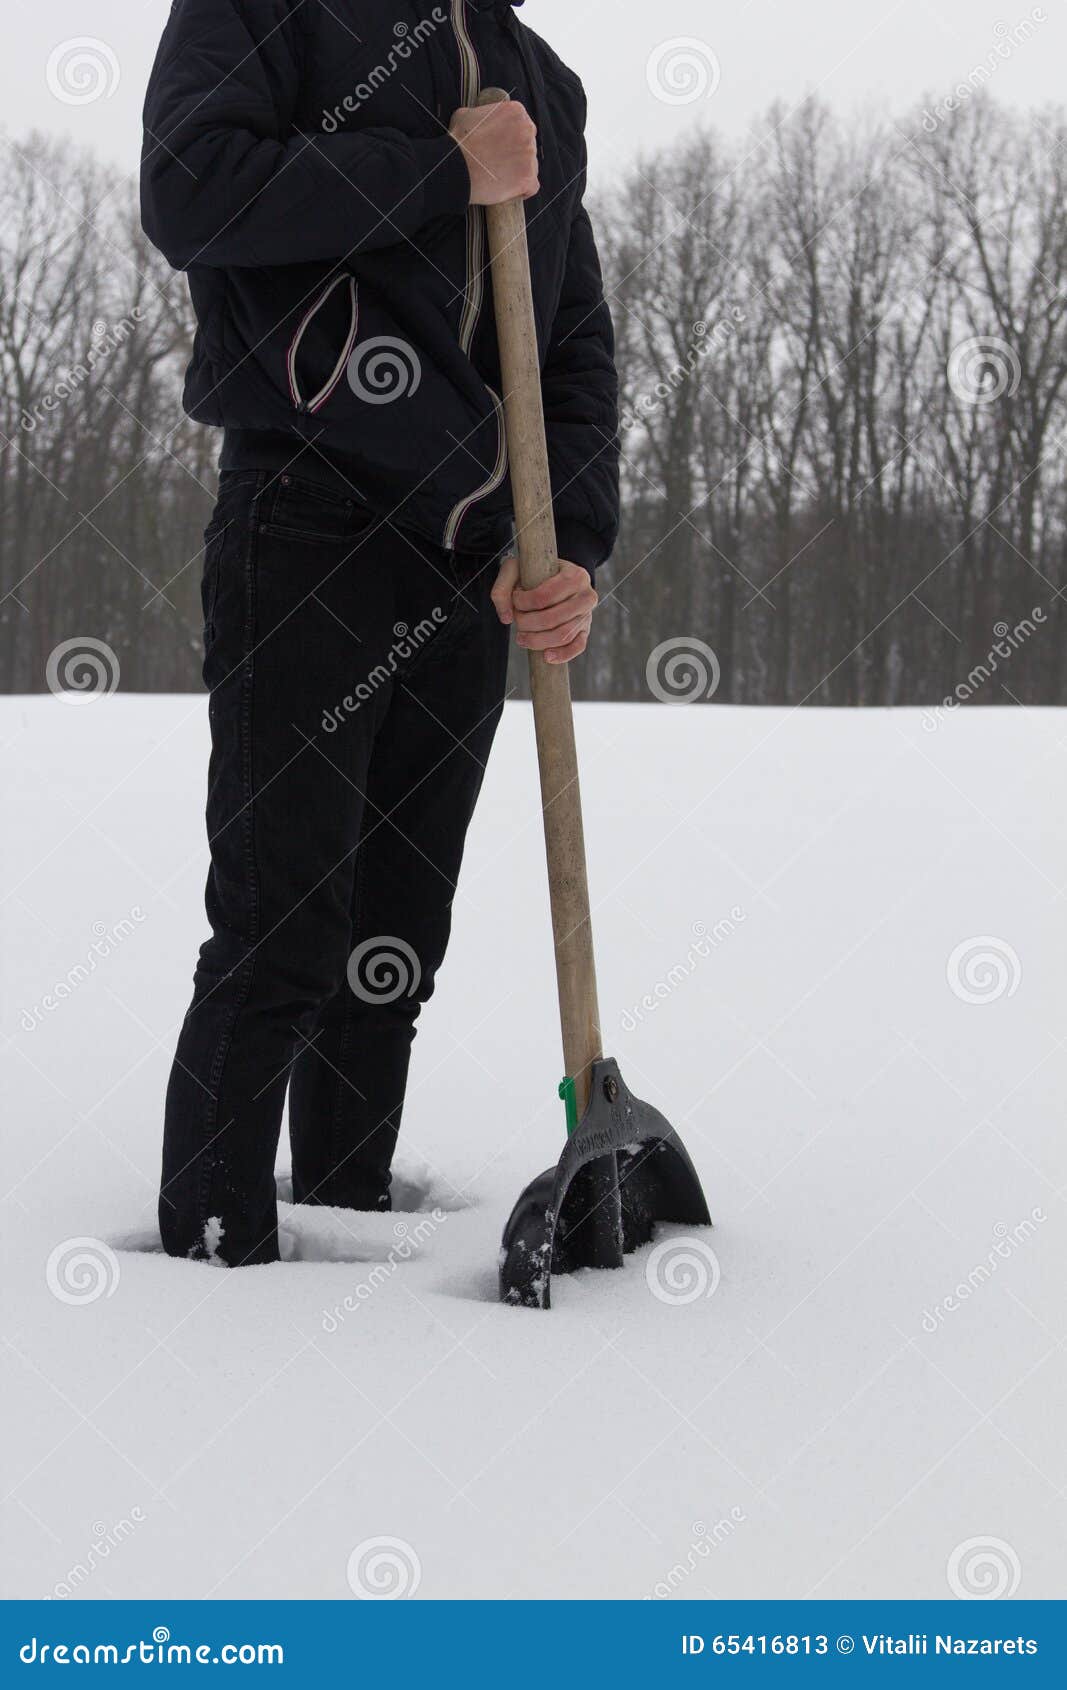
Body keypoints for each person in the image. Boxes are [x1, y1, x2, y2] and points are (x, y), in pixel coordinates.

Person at [141, 0, 620, 1265]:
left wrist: (564, 536)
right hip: (307, 514)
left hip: (469, 551)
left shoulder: (541, 81)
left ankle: (349, 1231)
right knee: (282, 924)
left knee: (393, 942)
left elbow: (567, 340)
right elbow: (194, 191)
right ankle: (209, 1261)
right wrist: (437, 168)